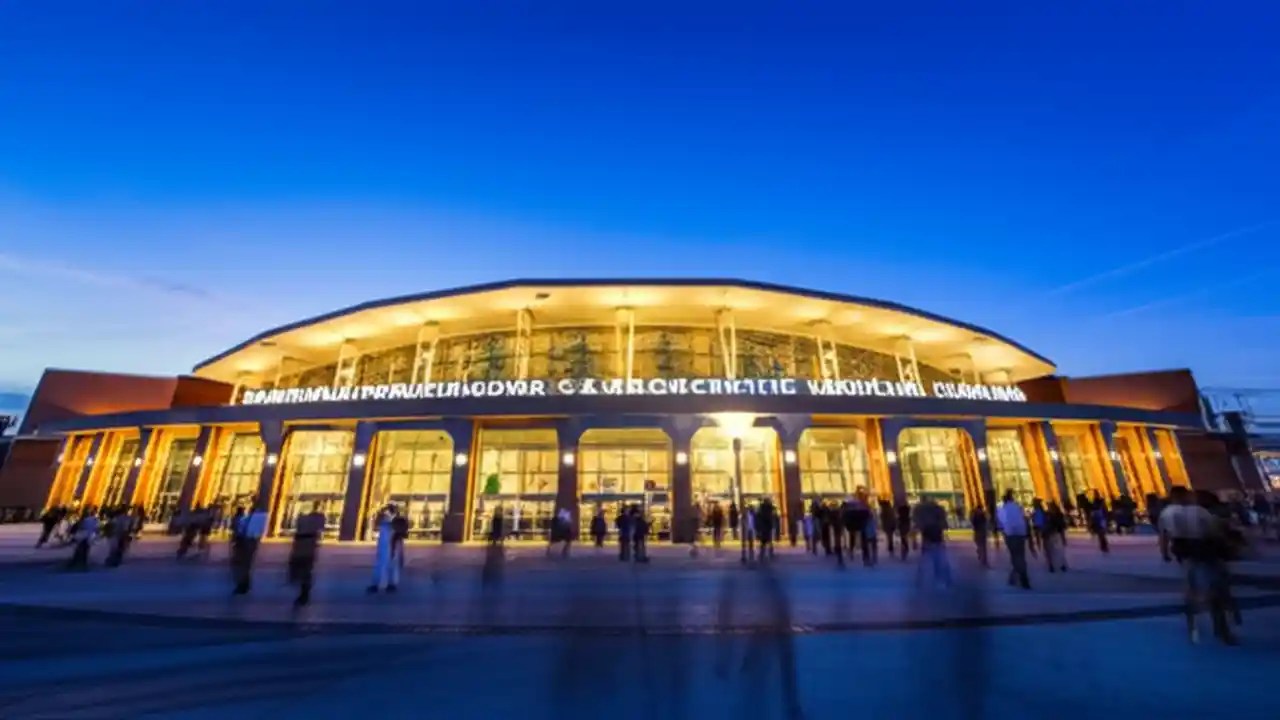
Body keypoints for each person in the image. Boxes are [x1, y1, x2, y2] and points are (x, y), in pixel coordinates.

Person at [1159, 486, 1236, 644]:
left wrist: (1165, 553)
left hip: (1184, 551)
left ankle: (1192, 623)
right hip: (1205, 549)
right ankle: (1221, 625)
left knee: (1190, 586)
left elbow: (1164, 535)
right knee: (1215, 586)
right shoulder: (1198, 511)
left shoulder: (1167, 513)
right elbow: (1213, 531)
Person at [290, 503, 326, 606]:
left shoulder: (306, 518)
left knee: (304, 571)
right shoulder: (317, 519)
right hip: (307, 548)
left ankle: (304, 593)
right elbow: (320, 530)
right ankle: (304, 592)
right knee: (306, 571)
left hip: (302, 548)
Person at [230, 503, 268, 595]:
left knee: (243, 565)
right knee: (245, 565)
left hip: (247, 542)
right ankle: (245, 584)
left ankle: (243, 585)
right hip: (248, 542)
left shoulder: (251, 519)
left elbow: (240, 530)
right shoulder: (248, 519)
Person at [913, 497, 950, 588]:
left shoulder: (920, 510)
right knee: (939, 559)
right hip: (937, 537)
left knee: (925, 558)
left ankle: (921, 579)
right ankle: (941, 578)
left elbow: (917, 524)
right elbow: (944, 525)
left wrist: (914, 539)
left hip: (927, 537)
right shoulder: (938, 509)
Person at [997, 490, 1031, 590]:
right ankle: (1017, 577)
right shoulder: (1017, 507)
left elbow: (1001, 522)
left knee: (1014, 556)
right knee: (1021, 555)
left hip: (1010, 534)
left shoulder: (1002, 508)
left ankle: (1021, 577)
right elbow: (1023, 519)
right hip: (1021, 533)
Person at [368, 506, 402, 593]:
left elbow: (397, 538)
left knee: (387, 565)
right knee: (382, 565)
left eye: (387, 513)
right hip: (384, 548)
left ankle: (385, 584)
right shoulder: (385, 524)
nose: (385, 515)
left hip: (389, 549)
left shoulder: (393, 525)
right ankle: (382, 583)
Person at [1044, 501, 1068, 572]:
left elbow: (1061, 527)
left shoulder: (1050, 515)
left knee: (1056, 551)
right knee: (1057, 551)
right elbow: (1062, 526)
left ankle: (1056, 565)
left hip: (1054, 534)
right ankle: (1060, 565)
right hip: (1054, 534)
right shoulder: (1054, 515)